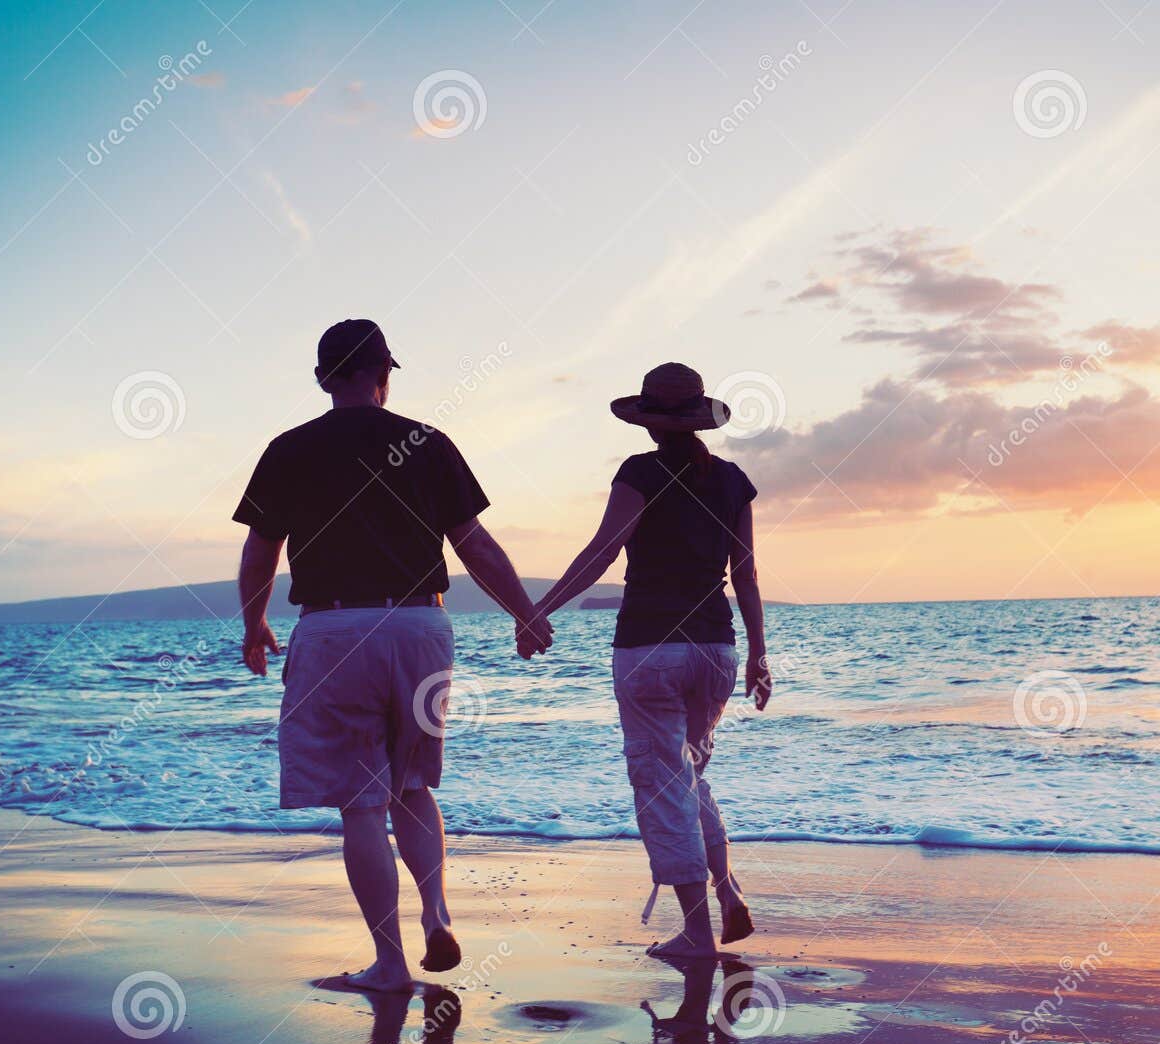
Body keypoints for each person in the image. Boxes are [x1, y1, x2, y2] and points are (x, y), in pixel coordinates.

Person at [234, 318, 553, 993]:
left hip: (334, 627)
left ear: (323, 378)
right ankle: (436, 912)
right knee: (412, 786)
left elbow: (261, 548)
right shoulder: (428, 443)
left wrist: (254, 621)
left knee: (359, 801)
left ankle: (391, 963)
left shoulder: (289, 449)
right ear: (384, 374)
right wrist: (523, 611)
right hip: (420, 624)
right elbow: (474, 544)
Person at [532, 362, 772, 959]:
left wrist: (540, 610)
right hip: (716, 648)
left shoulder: (640, 471)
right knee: (688, 774)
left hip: (650, 646)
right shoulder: (732, 480)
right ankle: (727, 890)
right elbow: (744, 574)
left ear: (649, 422)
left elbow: (604, 550)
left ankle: (696, 933)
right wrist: (759, 654)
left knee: (663, 783)